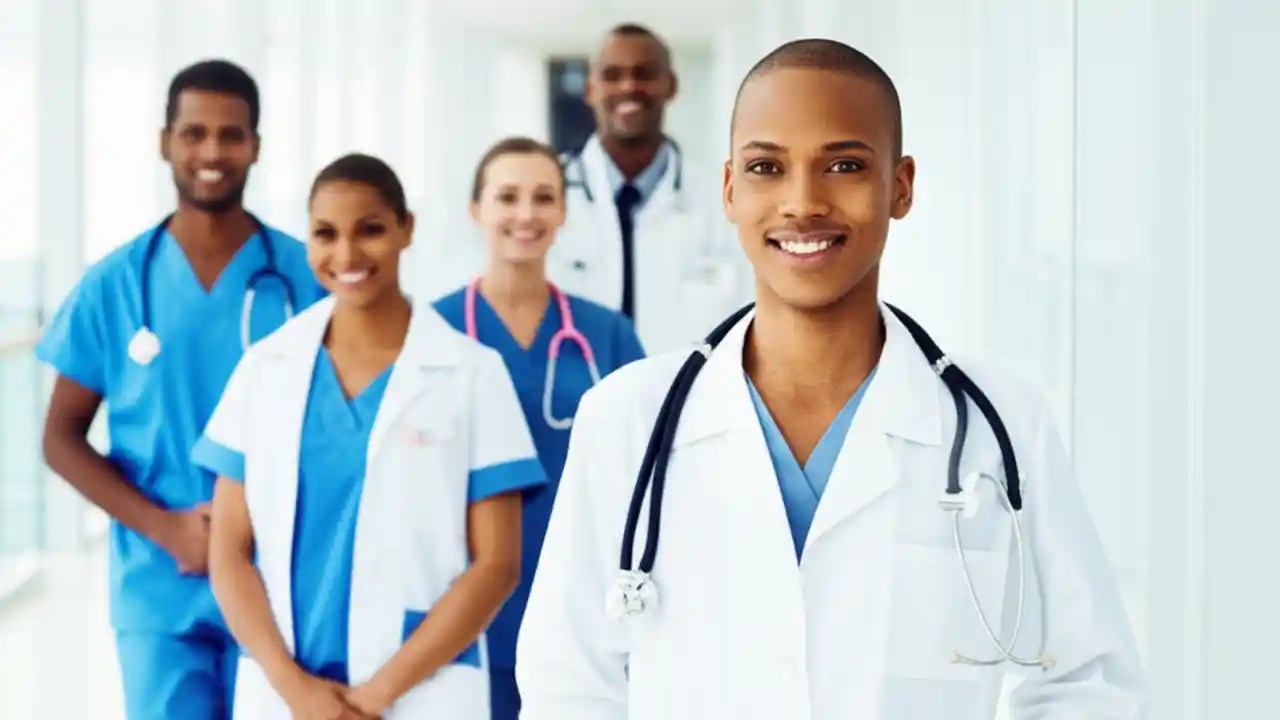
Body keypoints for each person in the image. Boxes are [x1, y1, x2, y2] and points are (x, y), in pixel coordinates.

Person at [515, 39, 1147, 718]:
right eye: (767, 167)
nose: (803, 202)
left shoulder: (1003, 426)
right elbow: (569, 688)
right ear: (730, 190)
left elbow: (1088, 683)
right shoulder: (626, 419)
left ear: (899, 187)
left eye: (844, 164)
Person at [194, 153, 546, 719]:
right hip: (286, 696)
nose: (347, 254)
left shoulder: (471, 373)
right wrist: (297, 691)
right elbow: (229, 553)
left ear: (407, 229)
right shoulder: (267, 368)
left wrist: (373, 699)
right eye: (325, 234)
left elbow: (497, 565)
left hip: (418, 695)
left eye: (371, 230)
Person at [36, 59, 326, 719]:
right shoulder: (114, 285)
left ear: (256, 145)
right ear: (165, 141)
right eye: (194, 133)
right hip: (162, 584)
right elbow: (60, 439)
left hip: (279, 573)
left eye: (231, 134)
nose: (213, 152)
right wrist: (167, 529)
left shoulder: (307, 283)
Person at [433, 136, 646, 720]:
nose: (526, 215)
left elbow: (649, 468)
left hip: (584, 595)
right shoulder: (432, 335)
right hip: (464, 604)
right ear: (476, 209)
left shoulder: (608, 335)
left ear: (562, 212)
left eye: (543, 197)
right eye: (507, 197)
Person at [548, 23, 752, 354]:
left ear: (671, 86)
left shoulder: (722, 200)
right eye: (612, 75)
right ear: (590, 90)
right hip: (573, 401)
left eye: (644, 73)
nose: (629, 86)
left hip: (685, 398)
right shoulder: (545, 196)